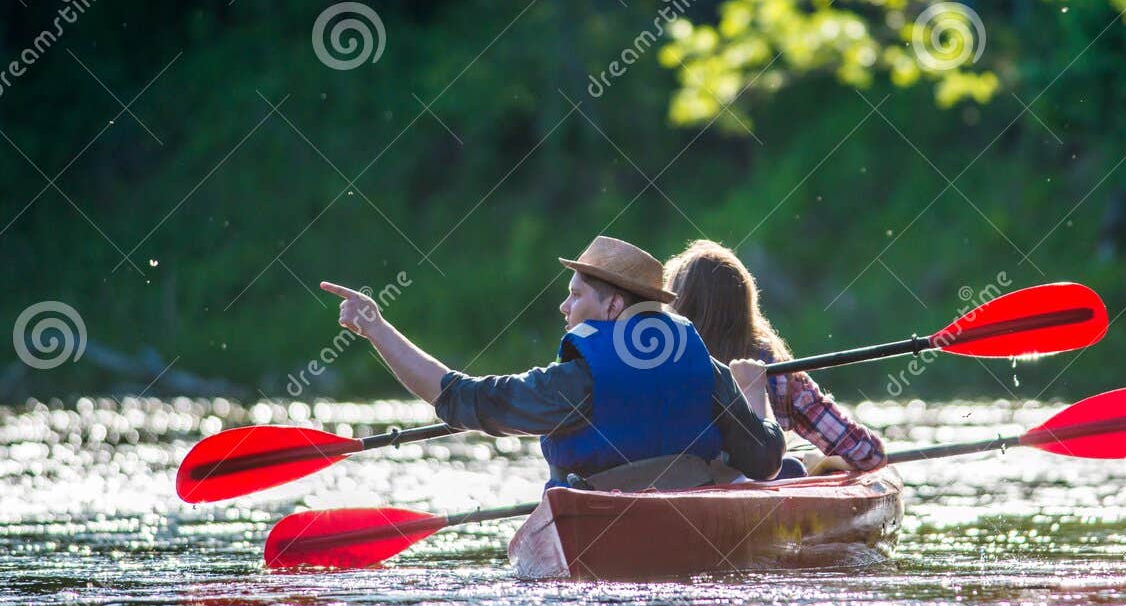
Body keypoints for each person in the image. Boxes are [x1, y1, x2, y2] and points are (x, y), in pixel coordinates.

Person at [320, 235, 786, 488]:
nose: (564, 308)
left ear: (613, 307)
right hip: (690, 523)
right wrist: (752, 393)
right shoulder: (708, 371)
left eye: (576, 295)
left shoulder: (573, 384)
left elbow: (456, 397)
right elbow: (765, 461)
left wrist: (377, 329)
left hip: (597, 529)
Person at [664, 239, 887, 475]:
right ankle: (817, 462)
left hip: (683, 485)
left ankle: (815, 461)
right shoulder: (777, 373)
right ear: (747, 307)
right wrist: (825, 462)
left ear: (678, 305)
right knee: (794, 466)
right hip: (751, 483)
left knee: (792, 466)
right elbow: (868, 454)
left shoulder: (656, 366)